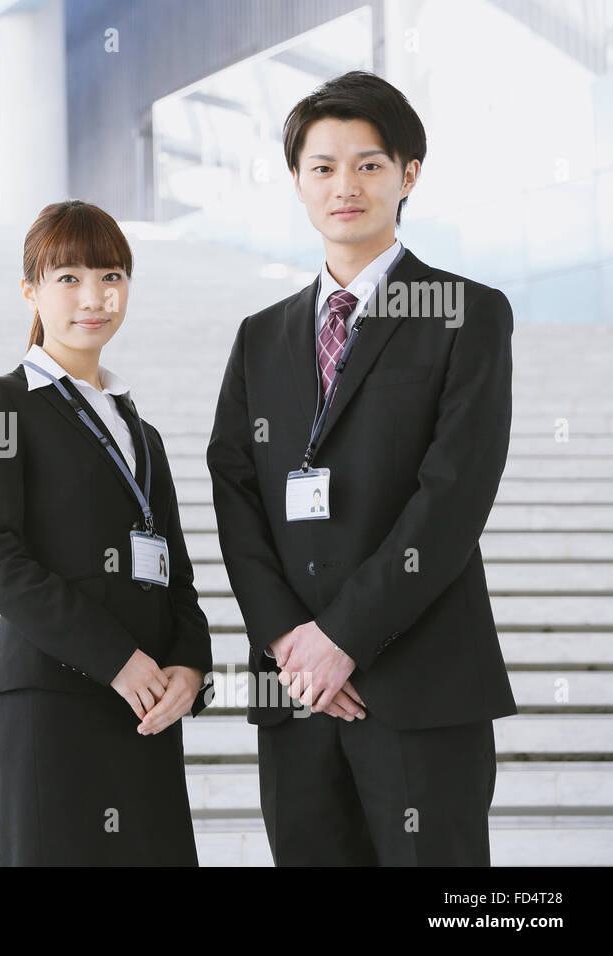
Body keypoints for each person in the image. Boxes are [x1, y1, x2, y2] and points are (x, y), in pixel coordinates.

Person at [207, 70, 517, 866]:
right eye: (323, 167)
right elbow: (236, 493)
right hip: (296, 694)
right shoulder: (259, 337)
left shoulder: (464, 313)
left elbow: (454, 495)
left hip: (417, 685)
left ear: (408, 175)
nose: (345, 185)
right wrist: (291, 644)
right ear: (298, 182)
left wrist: (343, 636)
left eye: (369, 164)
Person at [0, 199, 215, 866]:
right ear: (30, 291)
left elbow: (174, 571)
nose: (93, 297)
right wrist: (115, 658)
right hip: (54, 698)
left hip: (147, 703)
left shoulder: (140, 430)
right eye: (67, 278)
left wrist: (190, 665)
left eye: (111, 276)